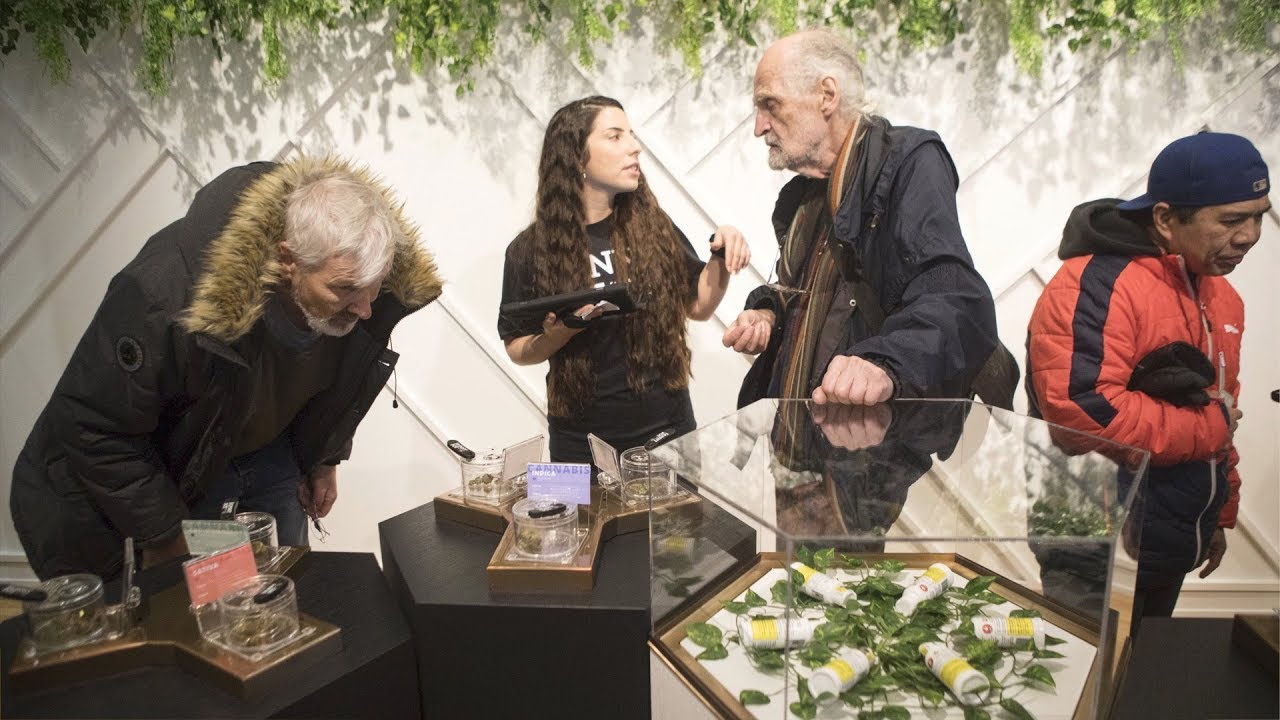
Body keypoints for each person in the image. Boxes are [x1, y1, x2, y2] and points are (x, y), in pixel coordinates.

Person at [11, 157, 443, 579]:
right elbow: (92, 425)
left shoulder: (357, 290)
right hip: (176, 464)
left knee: (287, 593)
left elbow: (338, 383)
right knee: (209, 617)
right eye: (345, 289)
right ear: (287, 260)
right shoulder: (161, 295)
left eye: (375, 287)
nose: (366, 309)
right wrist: (163, 533)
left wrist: (326, 456)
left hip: (266, 450)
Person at [1026, 131, 1269, 619]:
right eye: (1231, 219)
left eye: (1259, 214)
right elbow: (1083, 411)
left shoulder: (1222, 296)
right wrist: (1212, 428)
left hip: (1170, 540)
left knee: (1141, 681)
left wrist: (1217, 514)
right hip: (1093, 548)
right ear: (1164, 217)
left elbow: (1218, 404)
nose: (1249, 235)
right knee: (1090, 686)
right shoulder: (1096, 282)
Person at [723, 29, 1012, 409]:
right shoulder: (804, 196)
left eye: (770, 105)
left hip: (865, 452)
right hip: (798, 446)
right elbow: (808, 297)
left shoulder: (909, 160)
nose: (759, 126)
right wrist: (767, 312)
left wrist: (885, 364)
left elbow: (950, 294)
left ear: (827, 95)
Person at [498, 96, 750, 463]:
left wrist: (721, 254)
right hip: (580, 445)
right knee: (588, 524)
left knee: (678, 524)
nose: (634, 148)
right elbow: (517, 346)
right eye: (615, 137)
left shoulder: (653, 228)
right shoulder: (529, 250)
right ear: (575, 155)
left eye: (631, 135)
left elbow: (697, 305)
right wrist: (558, 335)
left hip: (668, 433)